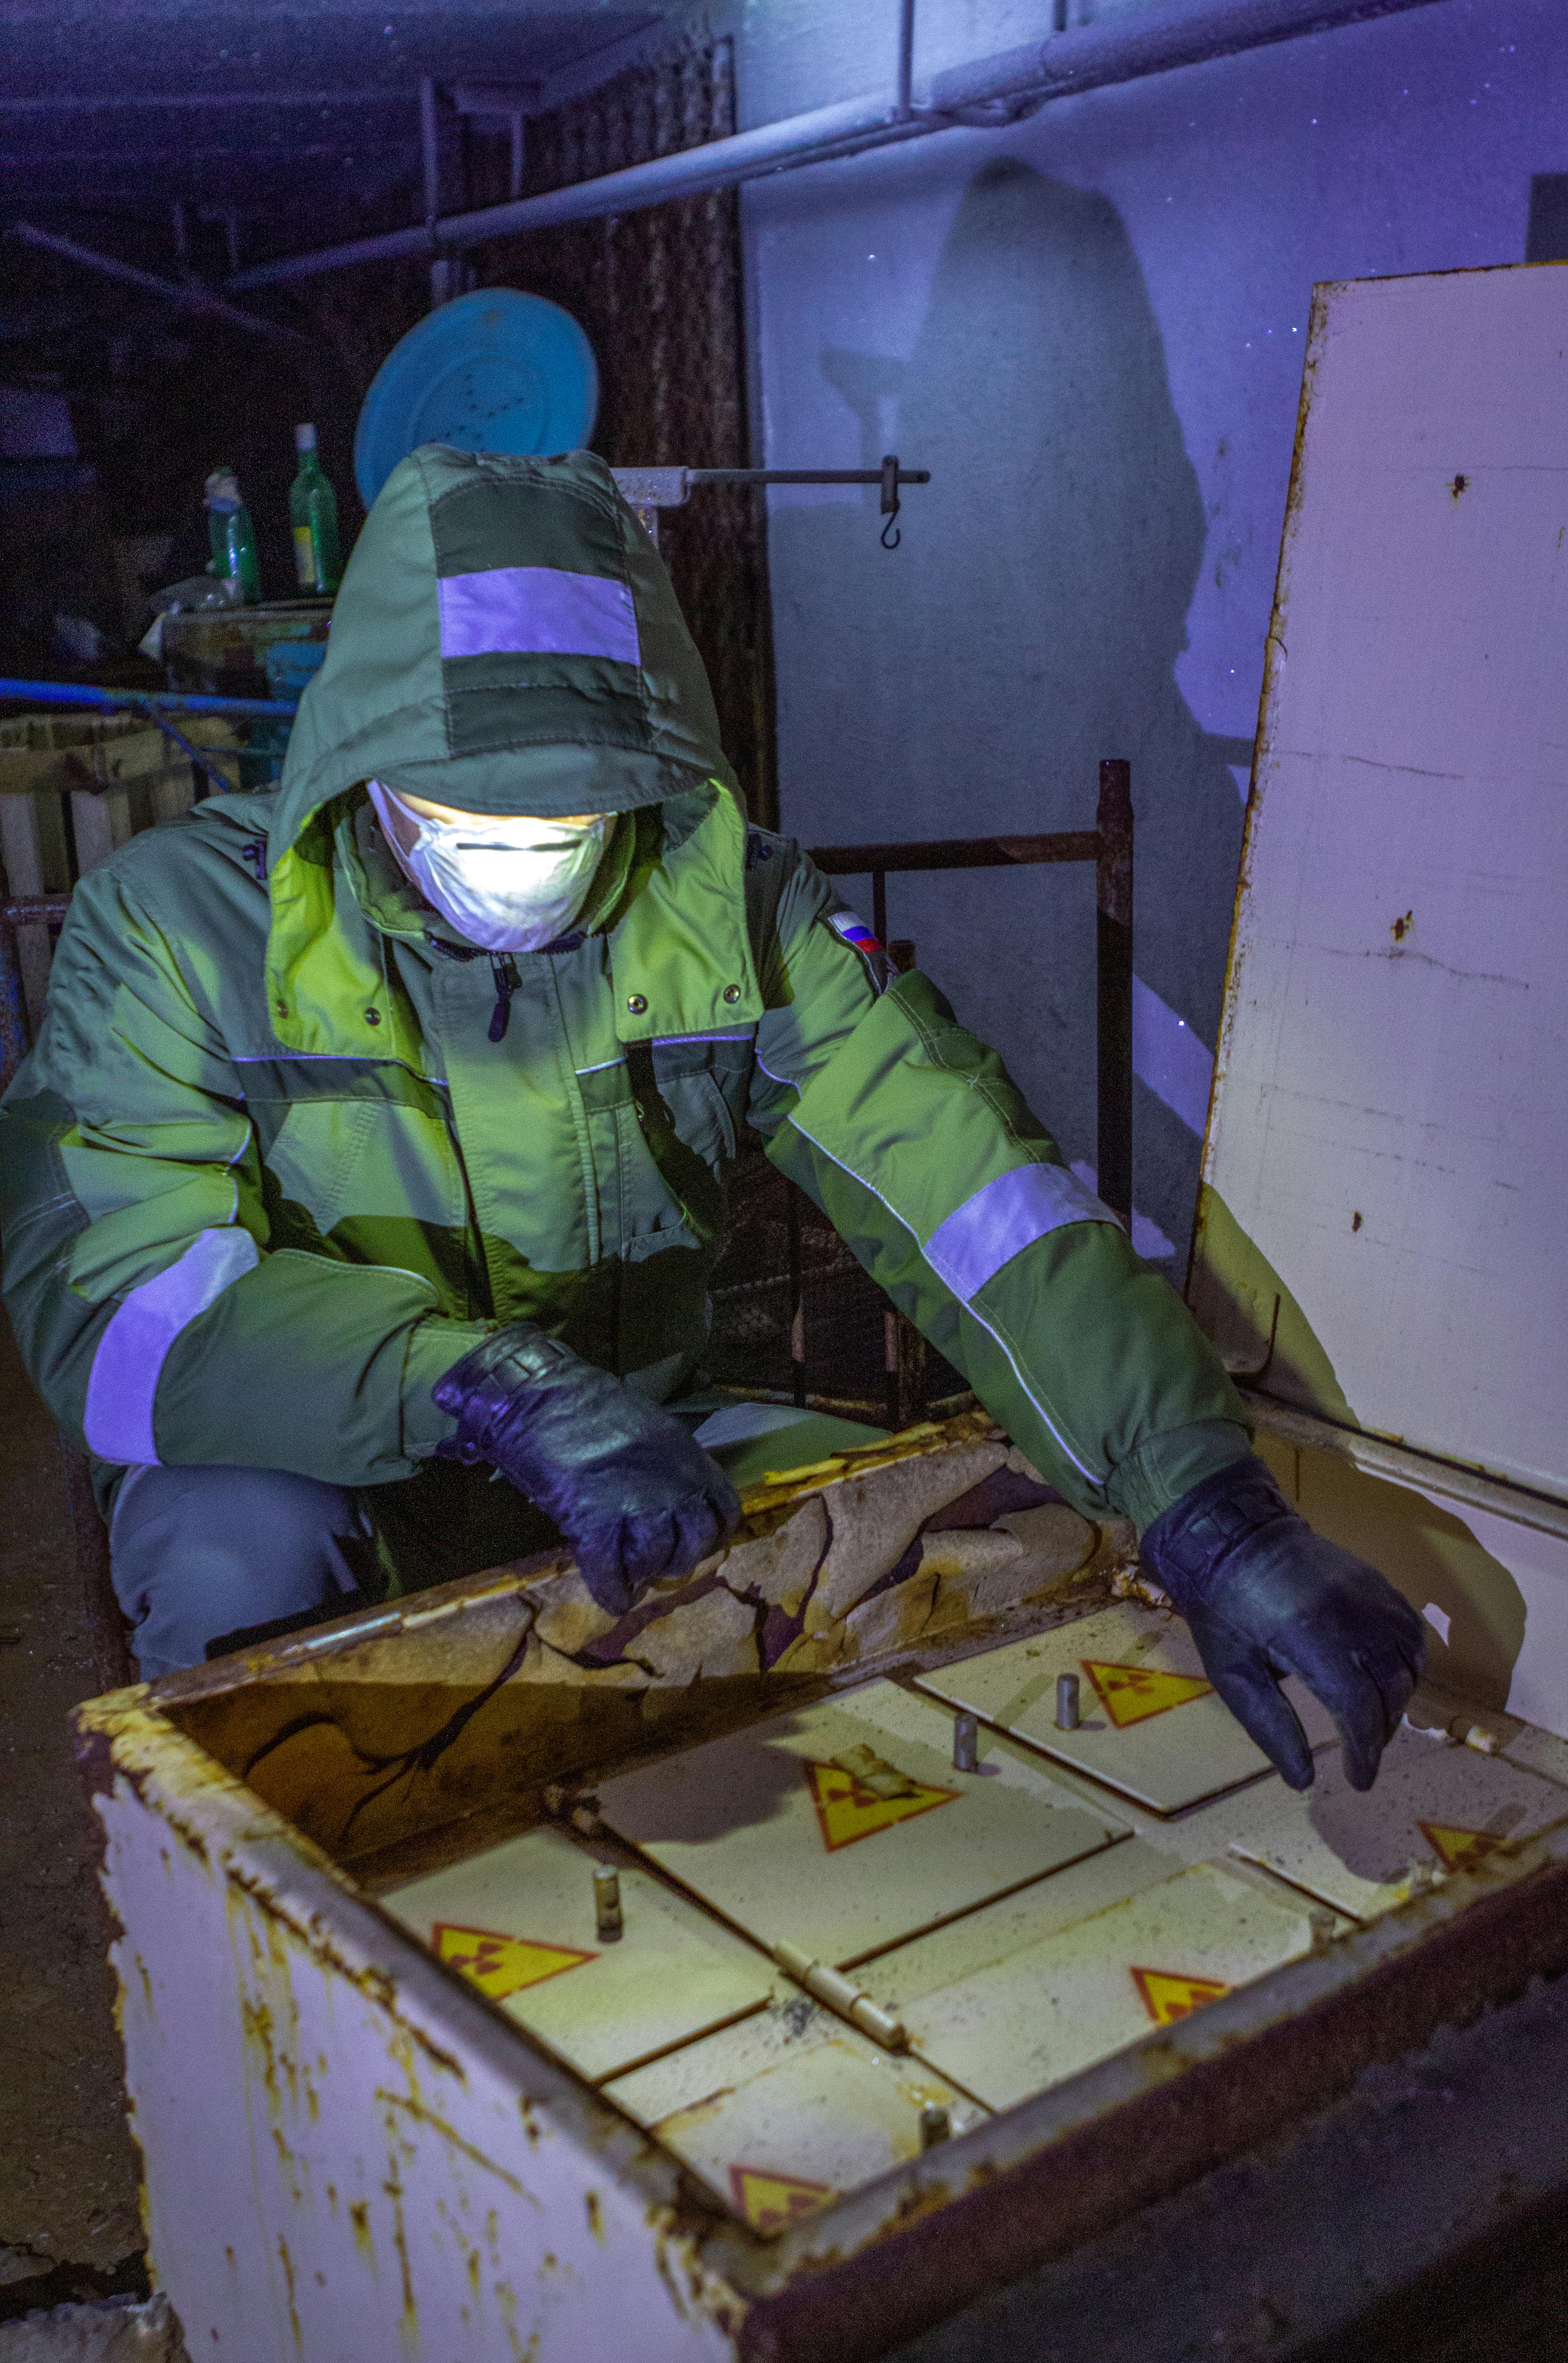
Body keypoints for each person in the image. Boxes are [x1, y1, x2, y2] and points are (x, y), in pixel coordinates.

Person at [0, 447, 1422, 1787]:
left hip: (644, 1443)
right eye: (469, 807)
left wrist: (1204, 1507)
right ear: (360, 760)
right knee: (228, 1553)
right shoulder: (178, 927)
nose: (525, 852)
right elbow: (126, 1308)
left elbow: (966, 1186)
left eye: (574, 814)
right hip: (334, 1462)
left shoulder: (727, 901)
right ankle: (274, 1905)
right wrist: (487, 1389)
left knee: (960, 1529)